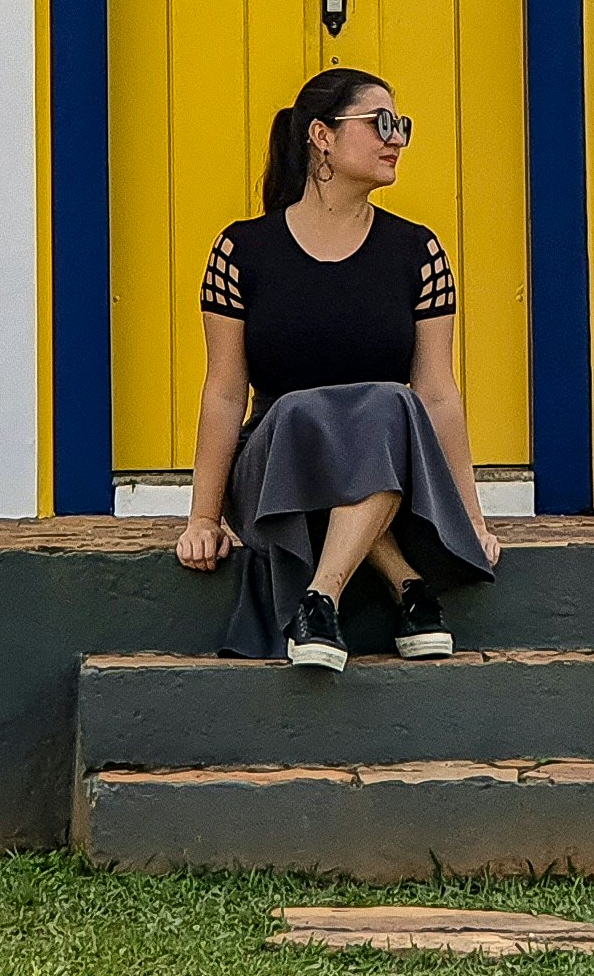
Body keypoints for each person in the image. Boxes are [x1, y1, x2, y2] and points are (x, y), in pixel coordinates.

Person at [175, 66, 503, 669]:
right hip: (276, 470)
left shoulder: (417, 251)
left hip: (385, 470)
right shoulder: (242, 250)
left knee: (387, 401)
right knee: (306, 409)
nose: (397, 138)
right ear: (322, 137)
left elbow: (435, 393)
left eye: (401, 125)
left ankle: (319, 601)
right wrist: (203, 515)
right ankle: (404, 582)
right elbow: (224, 394)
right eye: (379, 123)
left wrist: (471, 515)